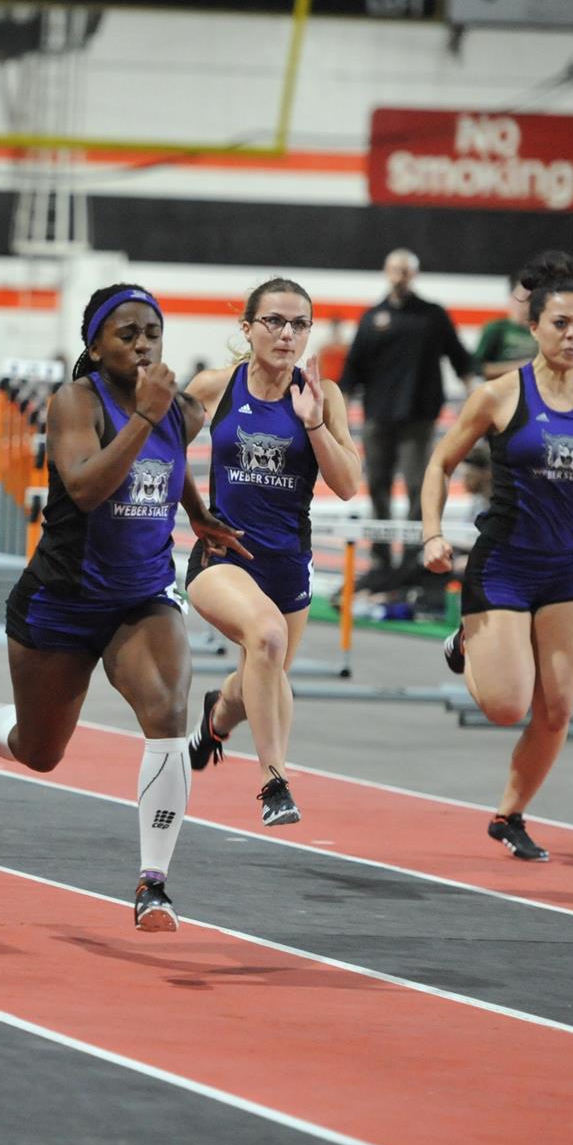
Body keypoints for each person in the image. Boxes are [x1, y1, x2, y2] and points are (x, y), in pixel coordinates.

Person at [0, 283, 246, 932]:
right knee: (40, 750)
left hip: (140, 594)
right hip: (61, 599)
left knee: (167, 707)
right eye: (127, 333)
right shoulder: (73, 403)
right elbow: (83, 488)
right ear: (95, 344)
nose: (142, 345)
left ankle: (153, 882)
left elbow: (172, 457)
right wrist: (142, 416)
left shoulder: (175, 406)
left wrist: (196, 512)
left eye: (151, 333)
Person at [421, 252, 573, 863]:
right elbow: (440, 465)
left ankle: (510, 814)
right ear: (534, 326)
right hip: (504, 565)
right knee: (506, 705)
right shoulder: (500, 395)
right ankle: (466, 642)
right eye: (560, 323)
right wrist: (432, 535)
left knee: (557, 709)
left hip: (565, 570)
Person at [183, 279, 363, 825]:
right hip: (223, 558)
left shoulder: (322, 394)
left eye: (299, 324)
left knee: (257, 674)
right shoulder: (216, 387)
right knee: (266, 638)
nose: (288, 334)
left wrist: (312, 423)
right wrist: (194, 513)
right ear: (248, 328)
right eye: (275, 322)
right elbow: (160, 453)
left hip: (288, 565)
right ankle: (274, 782)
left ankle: (218, 715)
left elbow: (350, 483)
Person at [339, 248, 472, 585]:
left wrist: (474, 388)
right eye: (395, 270)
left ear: (414, 275)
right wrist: (336, 410)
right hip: (378, 416)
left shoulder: (432, 316)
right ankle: (382, 560)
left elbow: (459, 357)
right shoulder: (372, 318)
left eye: (406, 271)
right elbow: (352, 369)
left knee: (417, 486)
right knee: (378, 488)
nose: (400, 276)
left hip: (419, 416)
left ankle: (415, 559)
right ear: (387, 272)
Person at [470, 273, 536, 381]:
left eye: (532, 299)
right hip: (503, 389)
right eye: (523, 298)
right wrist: (520, 367)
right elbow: (477, 368)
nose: (528, 304)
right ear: (512, 298)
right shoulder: (497, 328)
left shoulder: (541, 329)